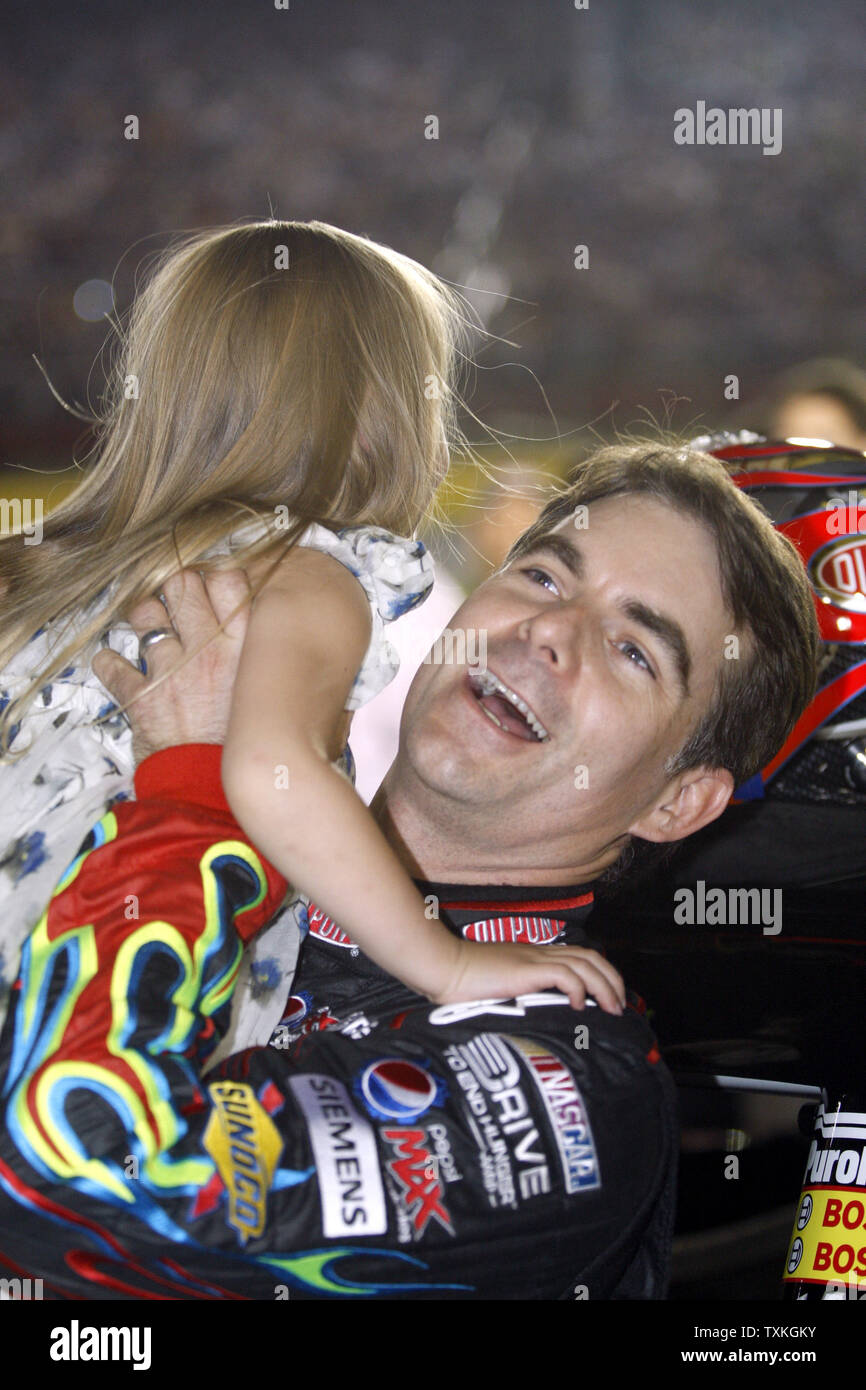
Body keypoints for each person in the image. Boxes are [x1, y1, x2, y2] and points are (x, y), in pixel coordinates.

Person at [0, 443, 819, 1300]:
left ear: (678, 803)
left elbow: (68, 1163)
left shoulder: (579, 1079)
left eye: (633, 651)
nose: (547, 633)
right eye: (542, 578)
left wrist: (202, 786)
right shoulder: (141, 780)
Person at [0, 218, 621, 1052]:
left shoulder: (52, 563)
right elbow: (272, 769)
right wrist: (445, 963)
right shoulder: (308, 570)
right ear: (378, 416)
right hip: (96, 986)